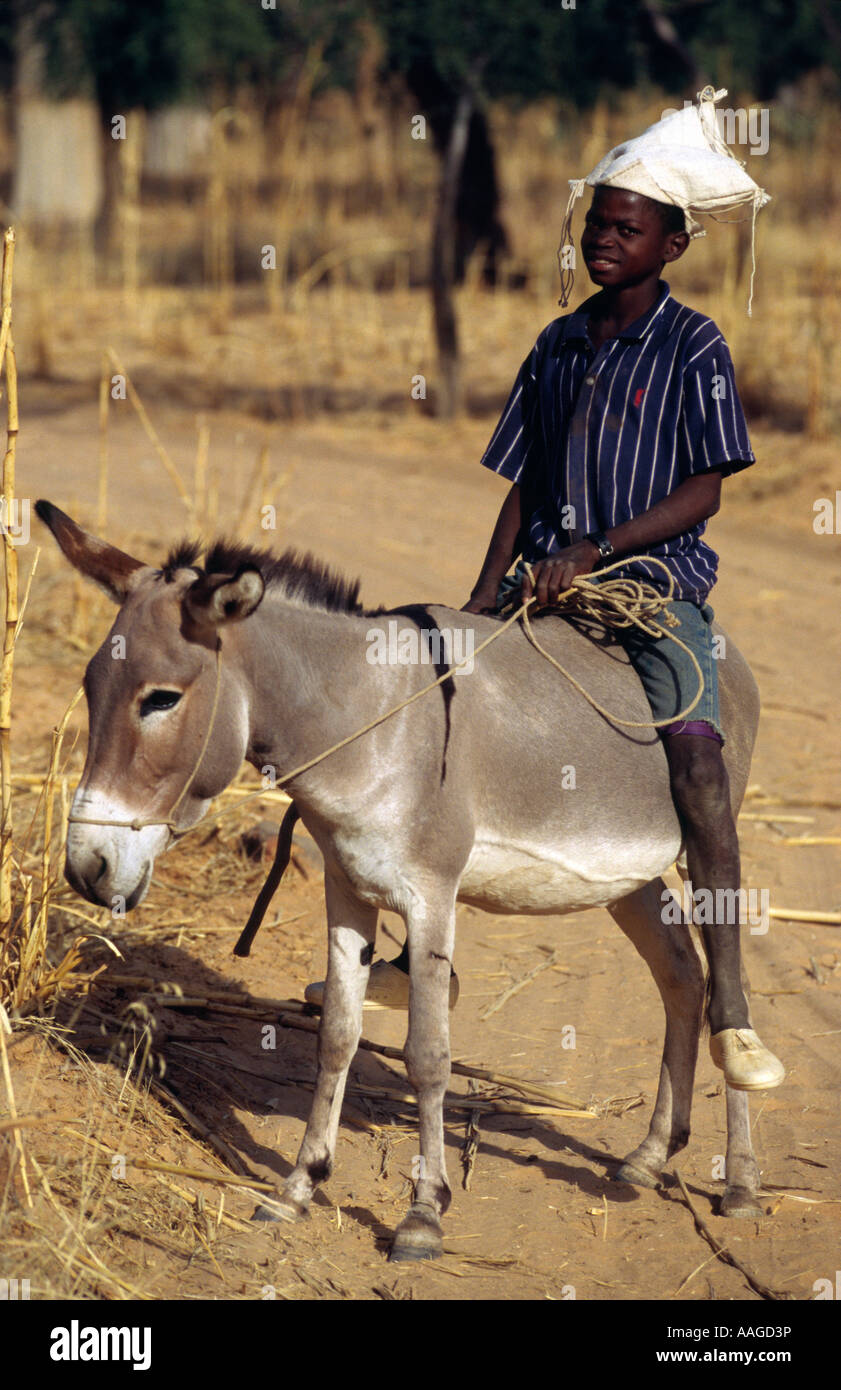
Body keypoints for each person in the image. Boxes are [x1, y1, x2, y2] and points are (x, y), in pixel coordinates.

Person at [307, 91, 784, 1091]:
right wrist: (479, 606)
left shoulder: (695, 347)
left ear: (671, 243)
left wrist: (601, 547)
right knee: (430, 724)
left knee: (698, 763)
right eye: (594, 224)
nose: (604, 240)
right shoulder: (557, 344)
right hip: (543, 589)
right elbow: (526, 485)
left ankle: (732, 1007)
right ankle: (404, 959)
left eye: (626, 228)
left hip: (654, 593)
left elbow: (705, 486)